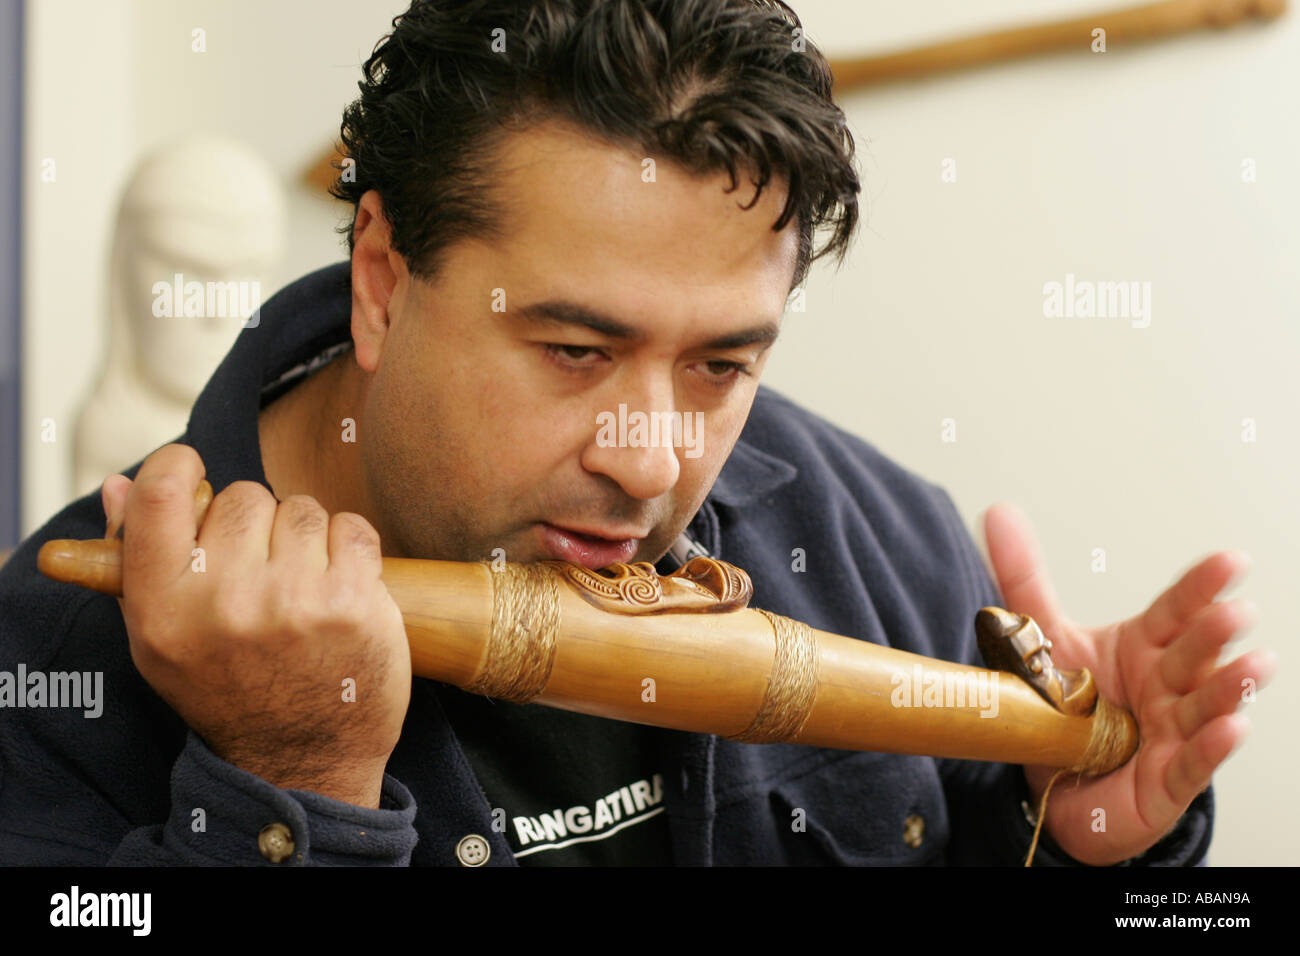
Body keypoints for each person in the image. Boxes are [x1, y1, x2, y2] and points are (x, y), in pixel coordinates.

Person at [0, 0, 1271, 866]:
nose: (650, 456)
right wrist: (295, 784)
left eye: (722, 363)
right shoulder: (59, 663)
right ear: (383, 277)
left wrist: (1090, 841)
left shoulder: (868, 533)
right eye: (575, 350)